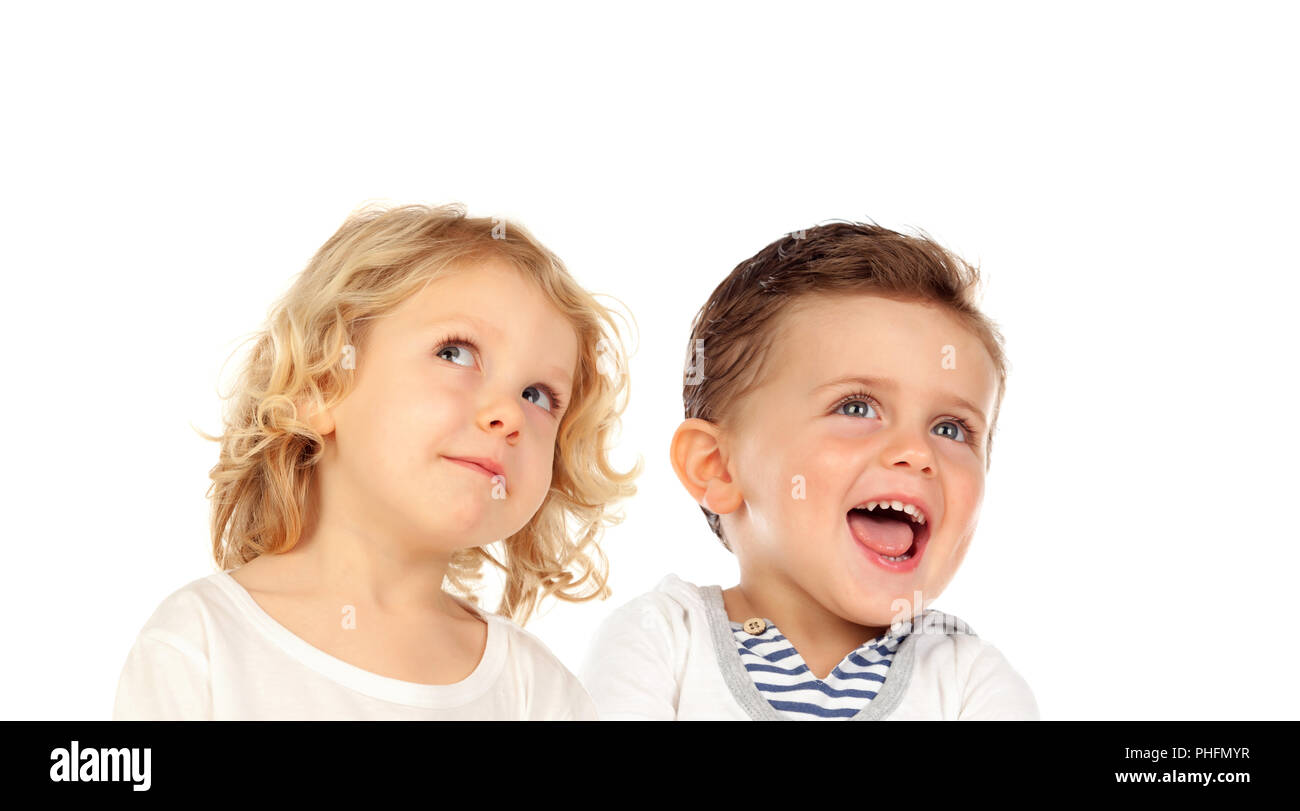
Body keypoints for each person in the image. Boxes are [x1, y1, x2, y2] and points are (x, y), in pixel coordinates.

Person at [113, 203, 639, 720]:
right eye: (455, 353)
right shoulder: (200, 644)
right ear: (320, 387)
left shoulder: (536, 692)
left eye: (538, 394)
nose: (508, 413)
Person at [581, 222, 1038, 720]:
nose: (917, 452)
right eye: (857, 408)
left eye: (951, 429)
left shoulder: (970, 680)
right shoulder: (663, 640)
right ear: (717, 467)